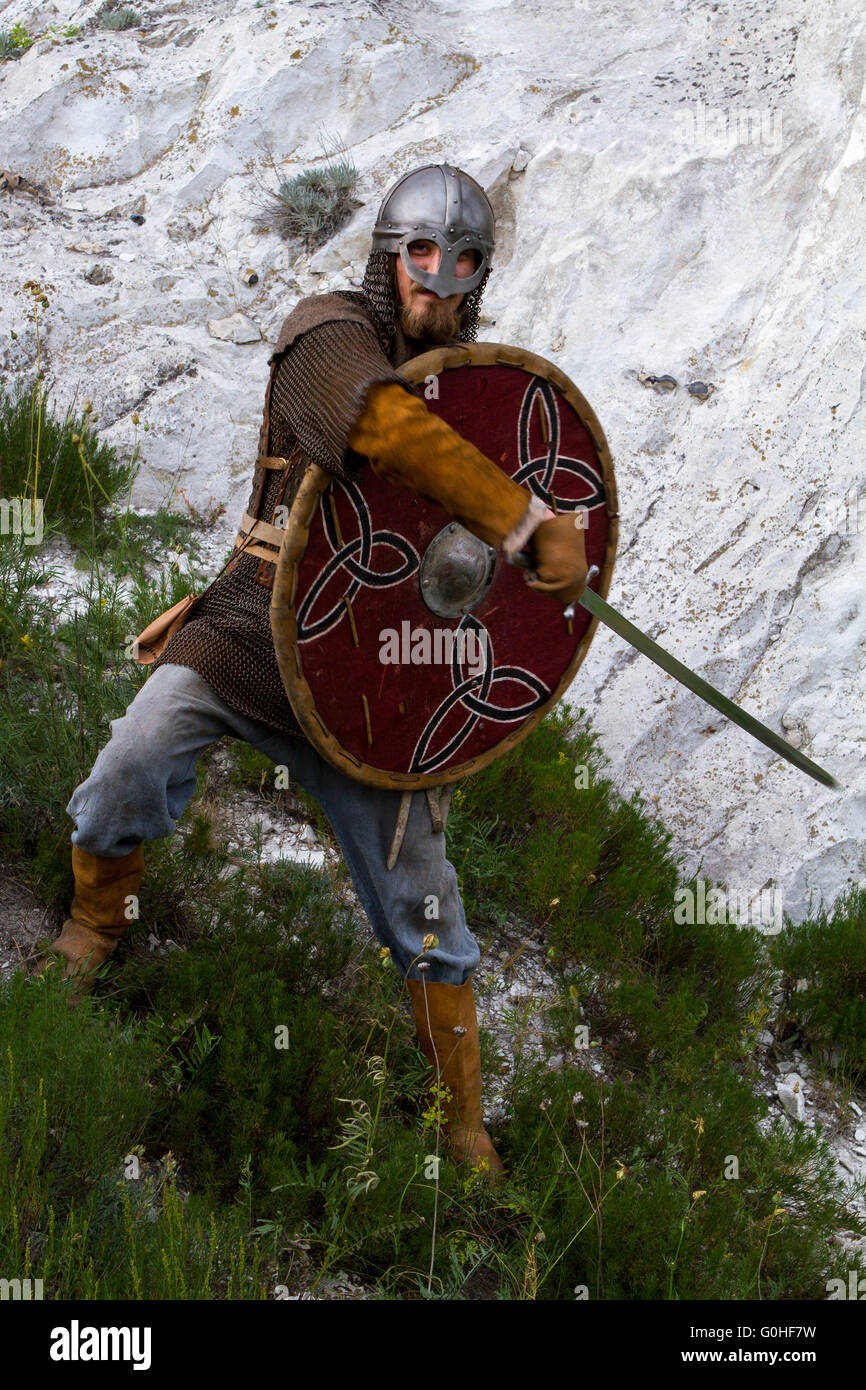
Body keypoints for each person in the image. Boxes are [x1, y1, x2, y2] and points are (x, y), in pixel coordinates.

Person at [36, 164, 588, 1177]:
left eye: (462, 262)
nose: (439, 278)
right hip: (248, 630)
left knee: (426, 909)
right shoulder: (323, 333)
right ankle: (92, 925)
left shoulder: (472, 390)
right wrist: (522, 520)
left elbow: (477, 590)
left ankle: (458, 1124)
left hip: (375, 684)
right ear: (387, 257)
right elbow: (382, 431)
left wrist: (528, 575)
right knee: (130, 759)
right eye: (420, 254)